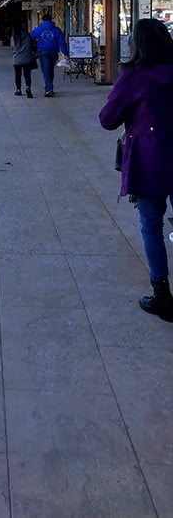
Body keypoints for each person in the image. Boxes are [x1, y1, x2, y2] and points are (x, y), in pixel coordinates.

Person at [99, 18, 173, 321]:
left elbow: (107, 119)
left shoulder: (135, 76)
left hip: (150, 160)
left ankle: (162, 294)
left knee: (151, 225)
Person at [30, 12, 69, 97]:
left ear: (43, 20)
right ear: (51, 20)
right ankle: (49, 86)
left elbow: (31, 37)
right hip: (54, 52)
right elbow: (62, 42)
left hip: (43, 52)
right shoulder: (57, 30)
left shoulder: (39, 29)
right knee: (50, 70)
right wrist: (65, 53)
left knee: (45, 70)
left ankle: (49, 88)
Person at [11, 20, 34, 97]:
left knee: (18, 75)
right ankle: (28, 88)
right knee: (27, 74)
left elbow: (12, 48)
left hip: (17, 60)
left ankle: (18, 90)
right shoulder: (28, 36)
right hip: (27, 59)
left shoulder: (13, 38)